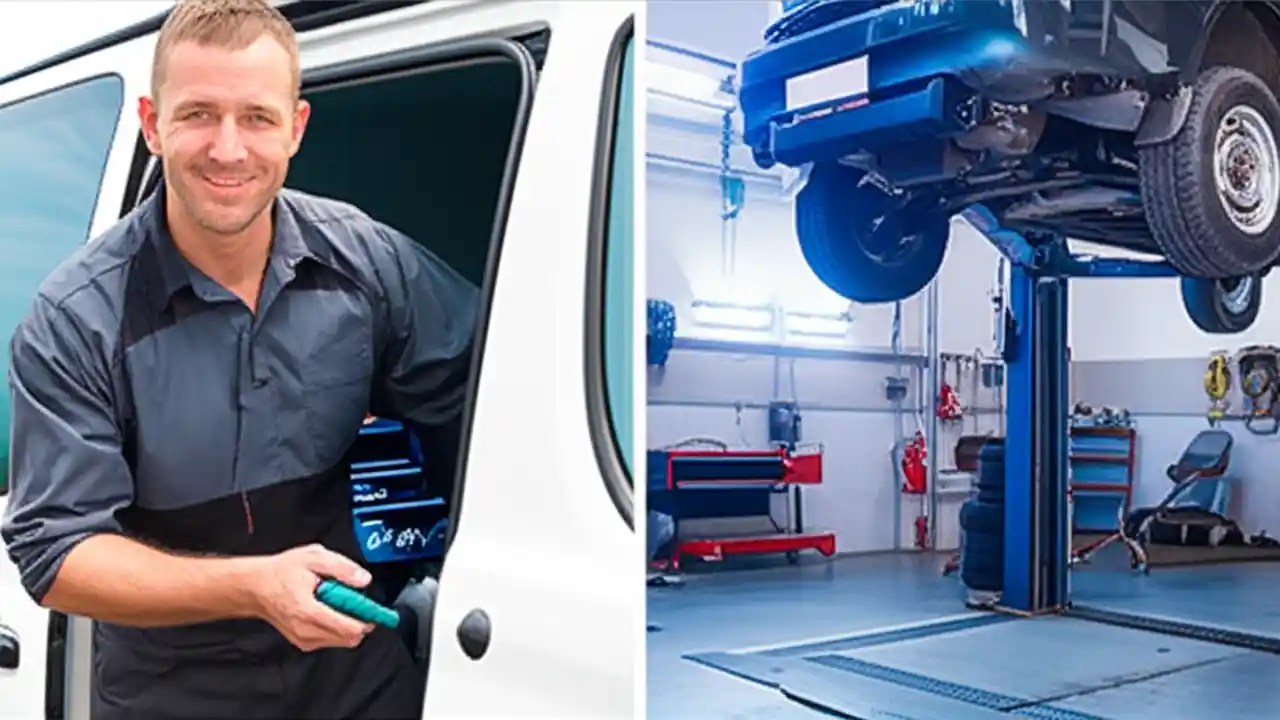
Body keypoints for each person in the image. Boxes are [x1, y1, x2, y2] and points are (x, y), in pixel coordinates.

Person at [0, 0, 477, 717]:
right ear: (154, 125)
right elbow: (58, 554)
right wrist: (254, 586)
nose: (229, 149)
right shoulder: (77, 318)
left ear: (296, 128)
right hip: (172, 691)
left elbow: (497, 386)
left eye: (256, 117)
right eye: (198, 115)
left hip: (356, 678)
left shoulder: (367, 261)